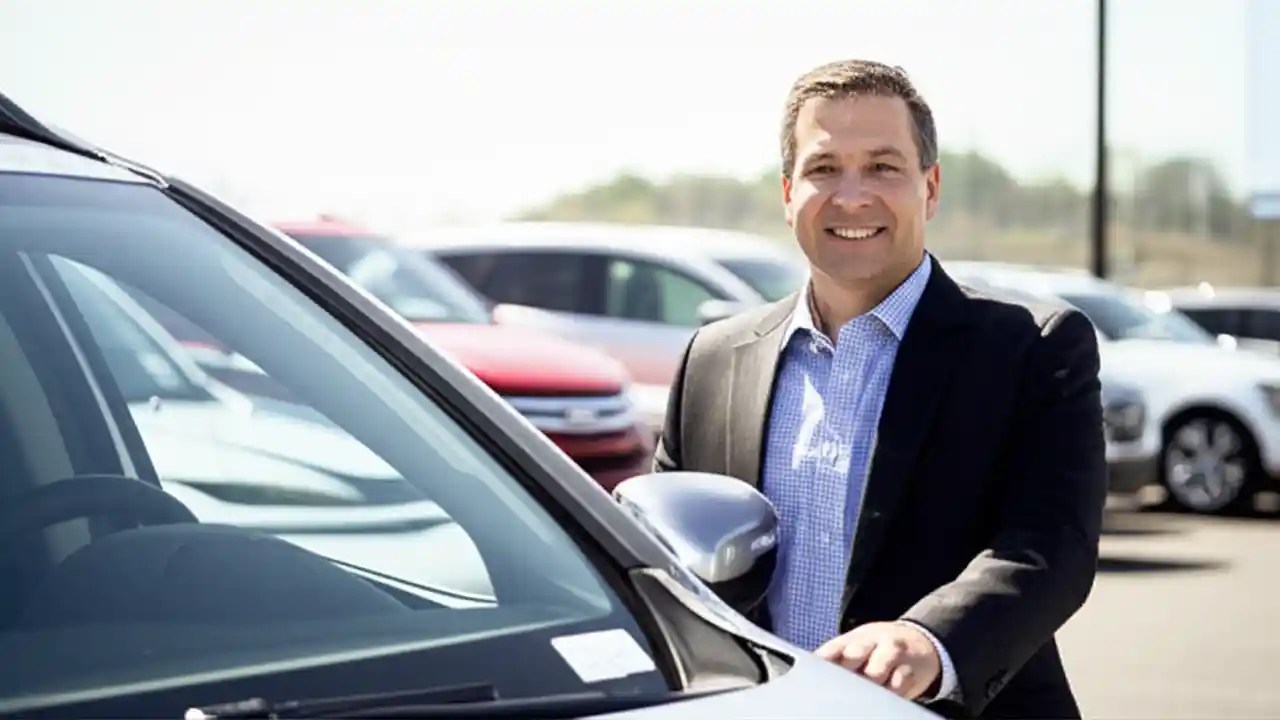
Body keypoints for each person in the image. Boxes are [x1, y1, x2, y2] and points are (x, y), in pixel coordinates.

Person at [652, 59, 1107, 719]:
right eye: (824, 168)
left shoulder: (1031, 348)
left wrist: (928, 642)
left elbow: (1051, 549)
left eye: (883, 167)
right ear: (787, 193)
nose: (852, 195)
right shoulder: (713, 361)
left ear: (931, 186)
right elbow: (662, 554)